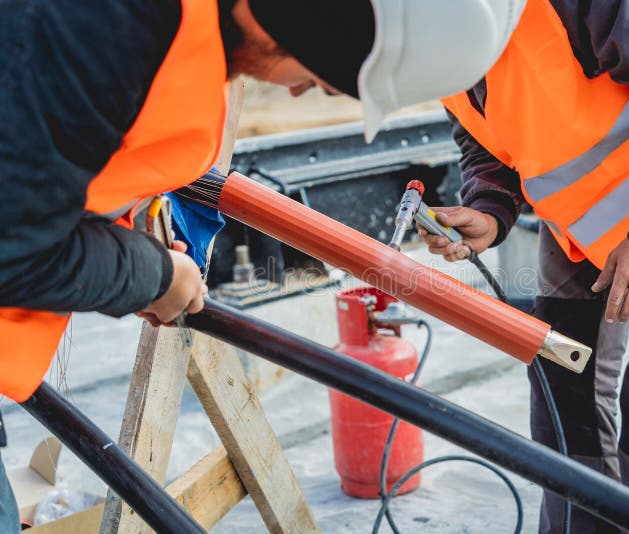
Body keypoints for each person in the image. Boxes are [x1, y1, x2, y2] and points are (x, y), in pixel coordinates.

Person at [0, 0, 524, 530]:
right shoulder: (99, 27)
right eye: (317, 75)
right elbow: (14, 247)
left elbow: (64, 173)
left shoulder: (161, 34)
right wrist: (151, 275)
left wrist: (134, 251)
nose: (303, 90)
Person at [419, 1, 629, 532]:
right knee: (560, 383)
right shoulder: (436, 34)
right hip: (580, 227)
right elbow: (485, 141)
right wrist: (489, 211)